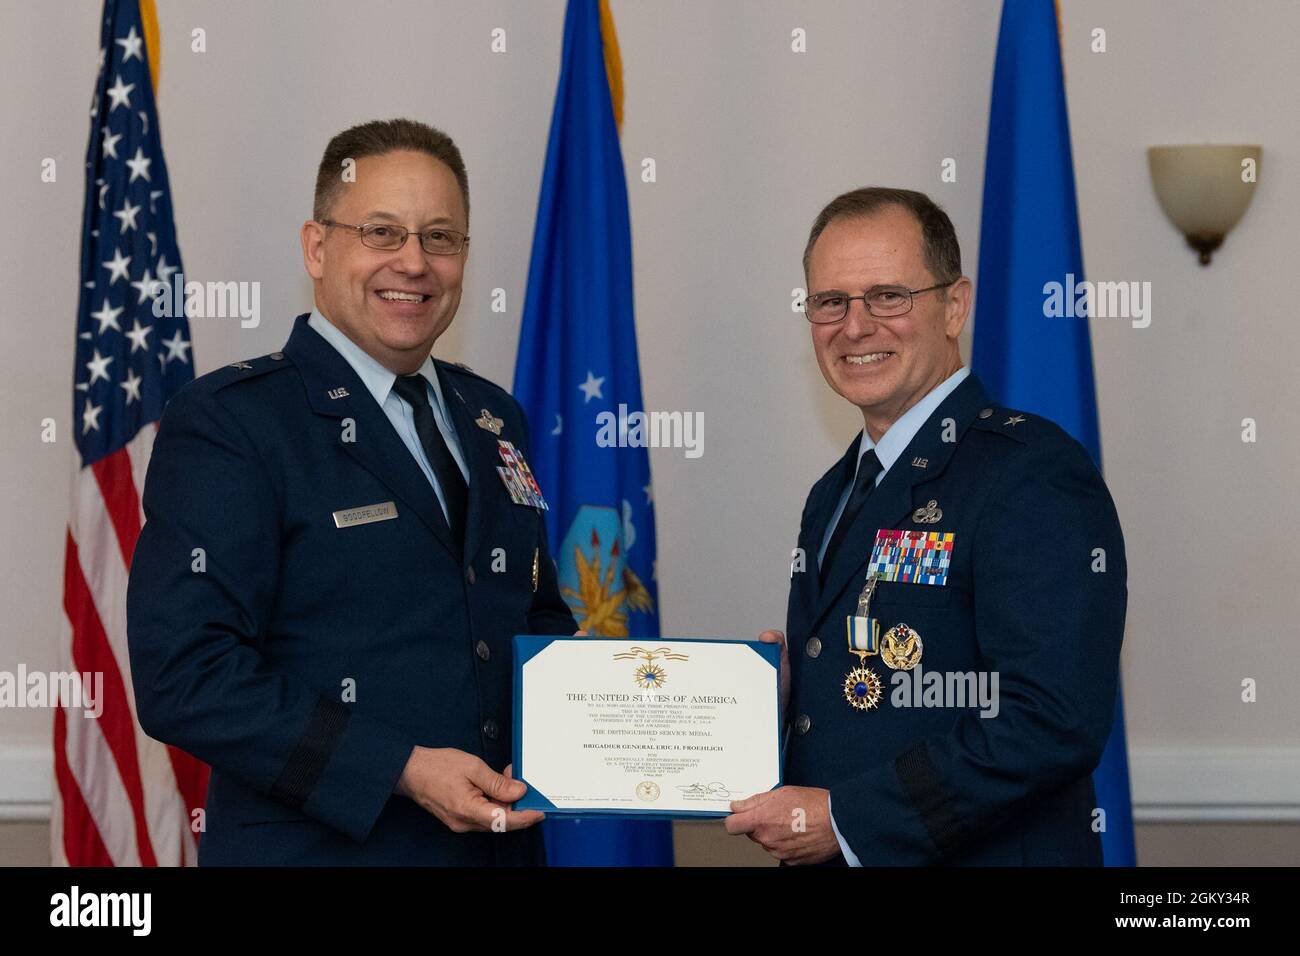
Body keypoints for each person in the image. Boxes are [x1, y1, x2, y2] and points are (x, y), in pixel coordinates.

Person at [127, 118, 577, 865]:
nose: (414, 262)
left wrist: (654, 707)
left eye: (441, 237)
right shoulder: (233, 422)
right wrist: (401, 768)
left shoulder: (494, 417)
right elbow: (186, 676)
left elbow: (530, 619)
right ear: (316, 246)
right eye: (380, 231)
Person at [726, 187, 1126, 865]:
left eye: (888, 296)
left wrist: (850, 819)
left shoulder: (1030, 473)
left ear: (955, 306)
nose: (854, 327)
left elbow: (1050, 719)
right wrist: (794, 695)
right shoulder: (836, 491)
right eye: (830, 302)